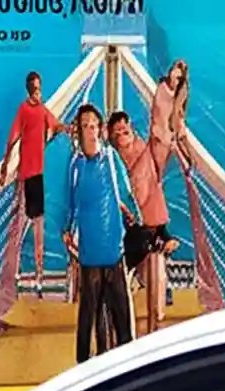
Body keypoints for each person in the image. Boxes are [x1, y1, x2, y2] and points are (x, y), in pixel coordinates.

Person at [63, 104, 133, 364]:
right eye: (85, 126)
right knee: (88, 318)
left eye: (94, 126)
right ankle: (82, 371)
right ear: (78, 133)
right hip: (90, 255)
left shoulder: (113, 160)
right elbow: (68, 203)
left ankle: (127, 371)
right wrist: (66, 231)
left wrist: (128, 212)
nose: (90, 131)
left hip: (114, 252)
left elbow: (124, 192)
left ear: (101, 130)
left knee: (122, 321)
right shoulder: (75, 167)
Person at [107, 111, 182, 335]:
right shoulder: (112, 162)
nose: (122, 133)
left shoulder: (146, 152)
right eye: (117, 131)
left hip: (148, 224)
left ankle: (155, 319)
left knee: (150, 269)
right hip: (130, 227)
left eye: (125, 129)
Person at [0, 71, 69, 298]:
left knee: (37, 226)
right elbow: (12, 140)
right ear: (30, 89)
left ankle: (38, 277)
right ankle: (15, 276)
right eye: (35, 88)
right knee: (20, 226)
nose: (37, 92)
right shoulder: (25, 110)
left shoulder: (41, 110)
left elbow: (57, 125)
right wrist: (4, 168)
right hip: (25, 177)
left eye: (39, 88)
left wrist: (68, 129)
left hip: (36, 176)